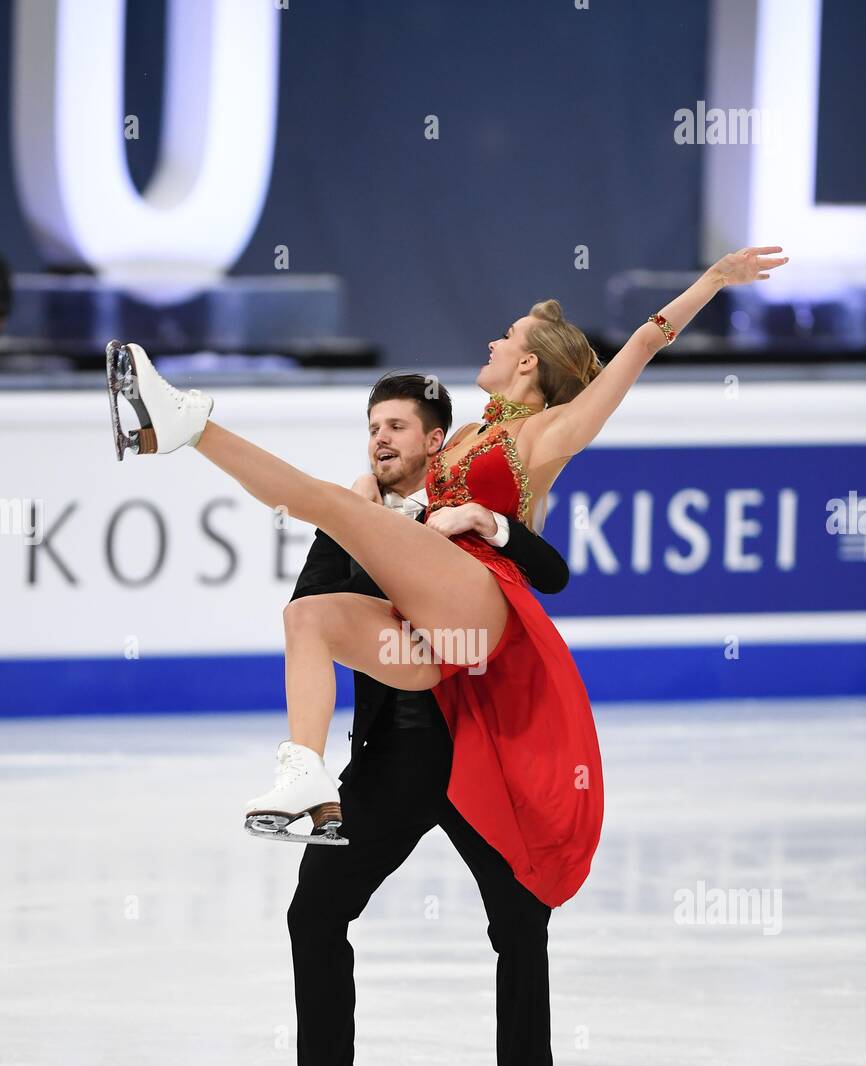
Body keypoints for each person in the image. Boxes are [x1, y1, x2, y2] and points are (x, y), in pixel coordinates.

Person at [105, 246, 786, 908]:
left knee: (333, 505)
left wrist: (714, 280)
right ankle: (304, 780)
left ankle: (186, 427)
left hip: (478, 605)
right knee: (306, 617)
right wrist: (388, 506)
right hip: (433, 646)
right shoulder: (461, 438)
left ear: (529, 360)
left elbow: (642, 344)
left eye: (507, 335)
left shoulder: (546, 433)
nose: (492, 341)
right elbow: (410, 518)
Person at [237, 373, 585, 1066]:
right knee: (314, 910)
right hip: (393, 756)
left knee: (519, 926)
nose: (379, 440)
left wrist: (489, 524)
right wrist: (355, 519)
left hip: (478, 754)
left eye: (396, 426)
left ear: (437, 441)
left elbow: (553, 571)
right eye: (370, 427)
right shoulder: (365, 518)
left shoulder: (467, 515)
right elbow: (312, 608)